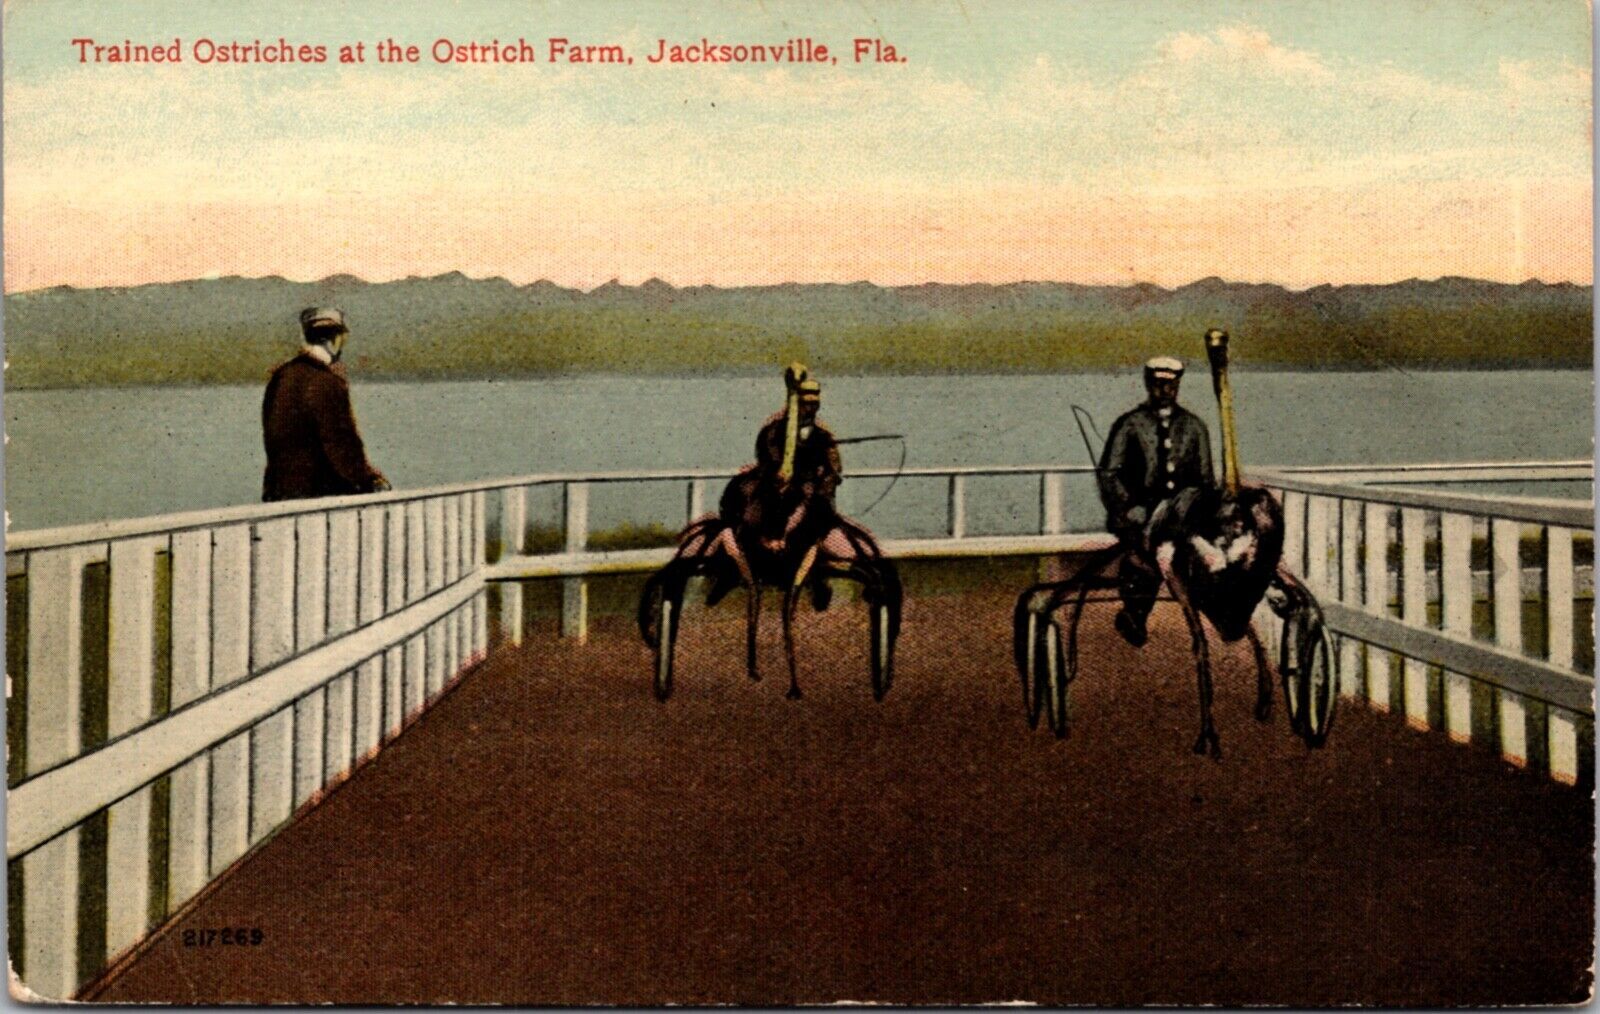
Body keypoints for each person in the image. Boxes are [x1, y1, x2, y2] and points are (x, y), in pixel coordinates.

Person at [1098, 355, 1216, 645]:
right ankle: (1135, 615)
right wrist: (1128, 508)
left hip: (1182, 515)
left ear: (1178, 385)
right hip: (1138, 514)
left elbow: (1205, 480)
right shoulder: (1129, 425)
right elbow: (1110, 474)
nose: (1165, 391)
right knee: (1141, 559)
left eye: (1171, 385)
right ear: (1148, 384)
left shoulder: (1194, 427)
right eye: (1159, 384)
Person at [261, 307, 390, 501]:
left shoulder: (281, 376)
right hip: (321, 495)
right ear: (335, 339)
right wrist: (369, 479)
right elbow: (341, 443)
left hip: (280, 493)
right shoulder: (328, 382)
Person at [720, 367, 842, 554]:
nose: (810, 409)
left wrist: (824, 478)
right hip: (778, 478)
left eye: (814, 405)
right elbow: (766, 452)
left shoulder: (822, 431)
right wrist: (778, 471)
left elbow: (834, 466)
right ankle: (768, 537)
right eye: (806, 404)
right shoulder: (774, 425)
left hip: (809, 483)